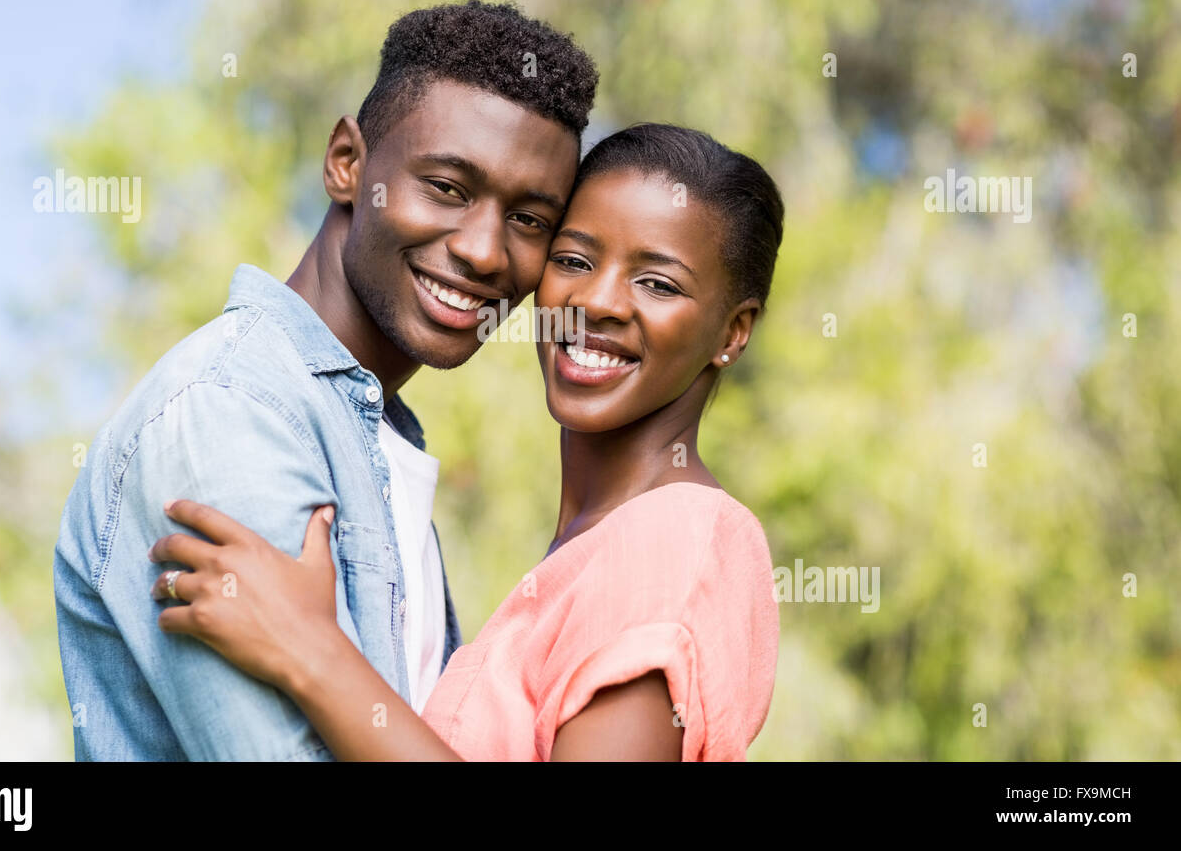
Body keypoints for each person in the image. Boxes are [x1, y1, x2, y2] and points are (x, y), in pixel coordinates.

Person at [52, 0, 599, 760]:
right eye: (446, 187)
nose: (484, 251)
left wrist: (319, 658)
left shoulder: (370, 436)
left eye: (530, 220)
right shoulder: (232, 414)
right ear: (348, 162)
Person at [148, 123, 785, 760]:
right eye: (573, 261)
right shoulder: (594, 545)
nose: (595, 302)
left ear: (733, 331)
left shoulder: (676, 543)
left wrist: (313, 655)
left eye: (658, 283)